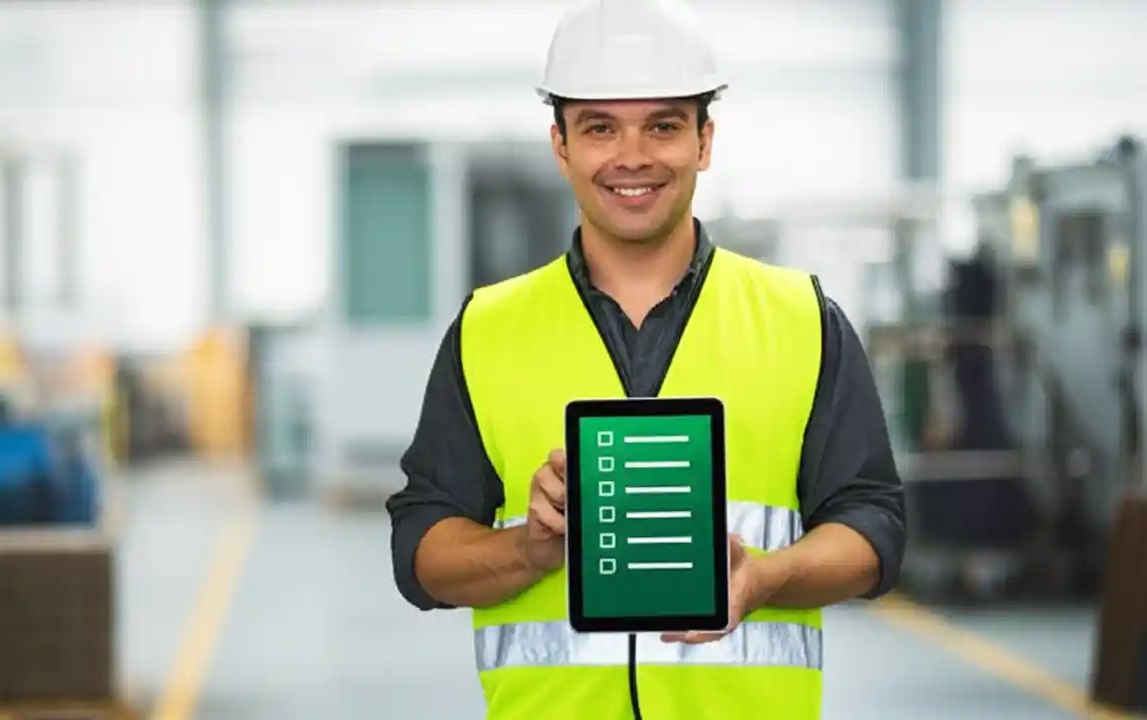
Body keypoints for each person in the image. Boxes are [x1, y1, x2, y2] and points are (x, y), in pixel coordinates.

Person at [385, 1, 906, 717]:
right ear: (561, 145)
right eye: (600, 127)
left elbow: (874, 526)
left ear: (704, 140)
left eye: (662, 125)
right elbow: (420, 553)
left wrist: (766, 577)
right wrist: (530, 552)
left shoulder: (802, 320)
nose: (632, 156)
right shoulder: (488, 330)